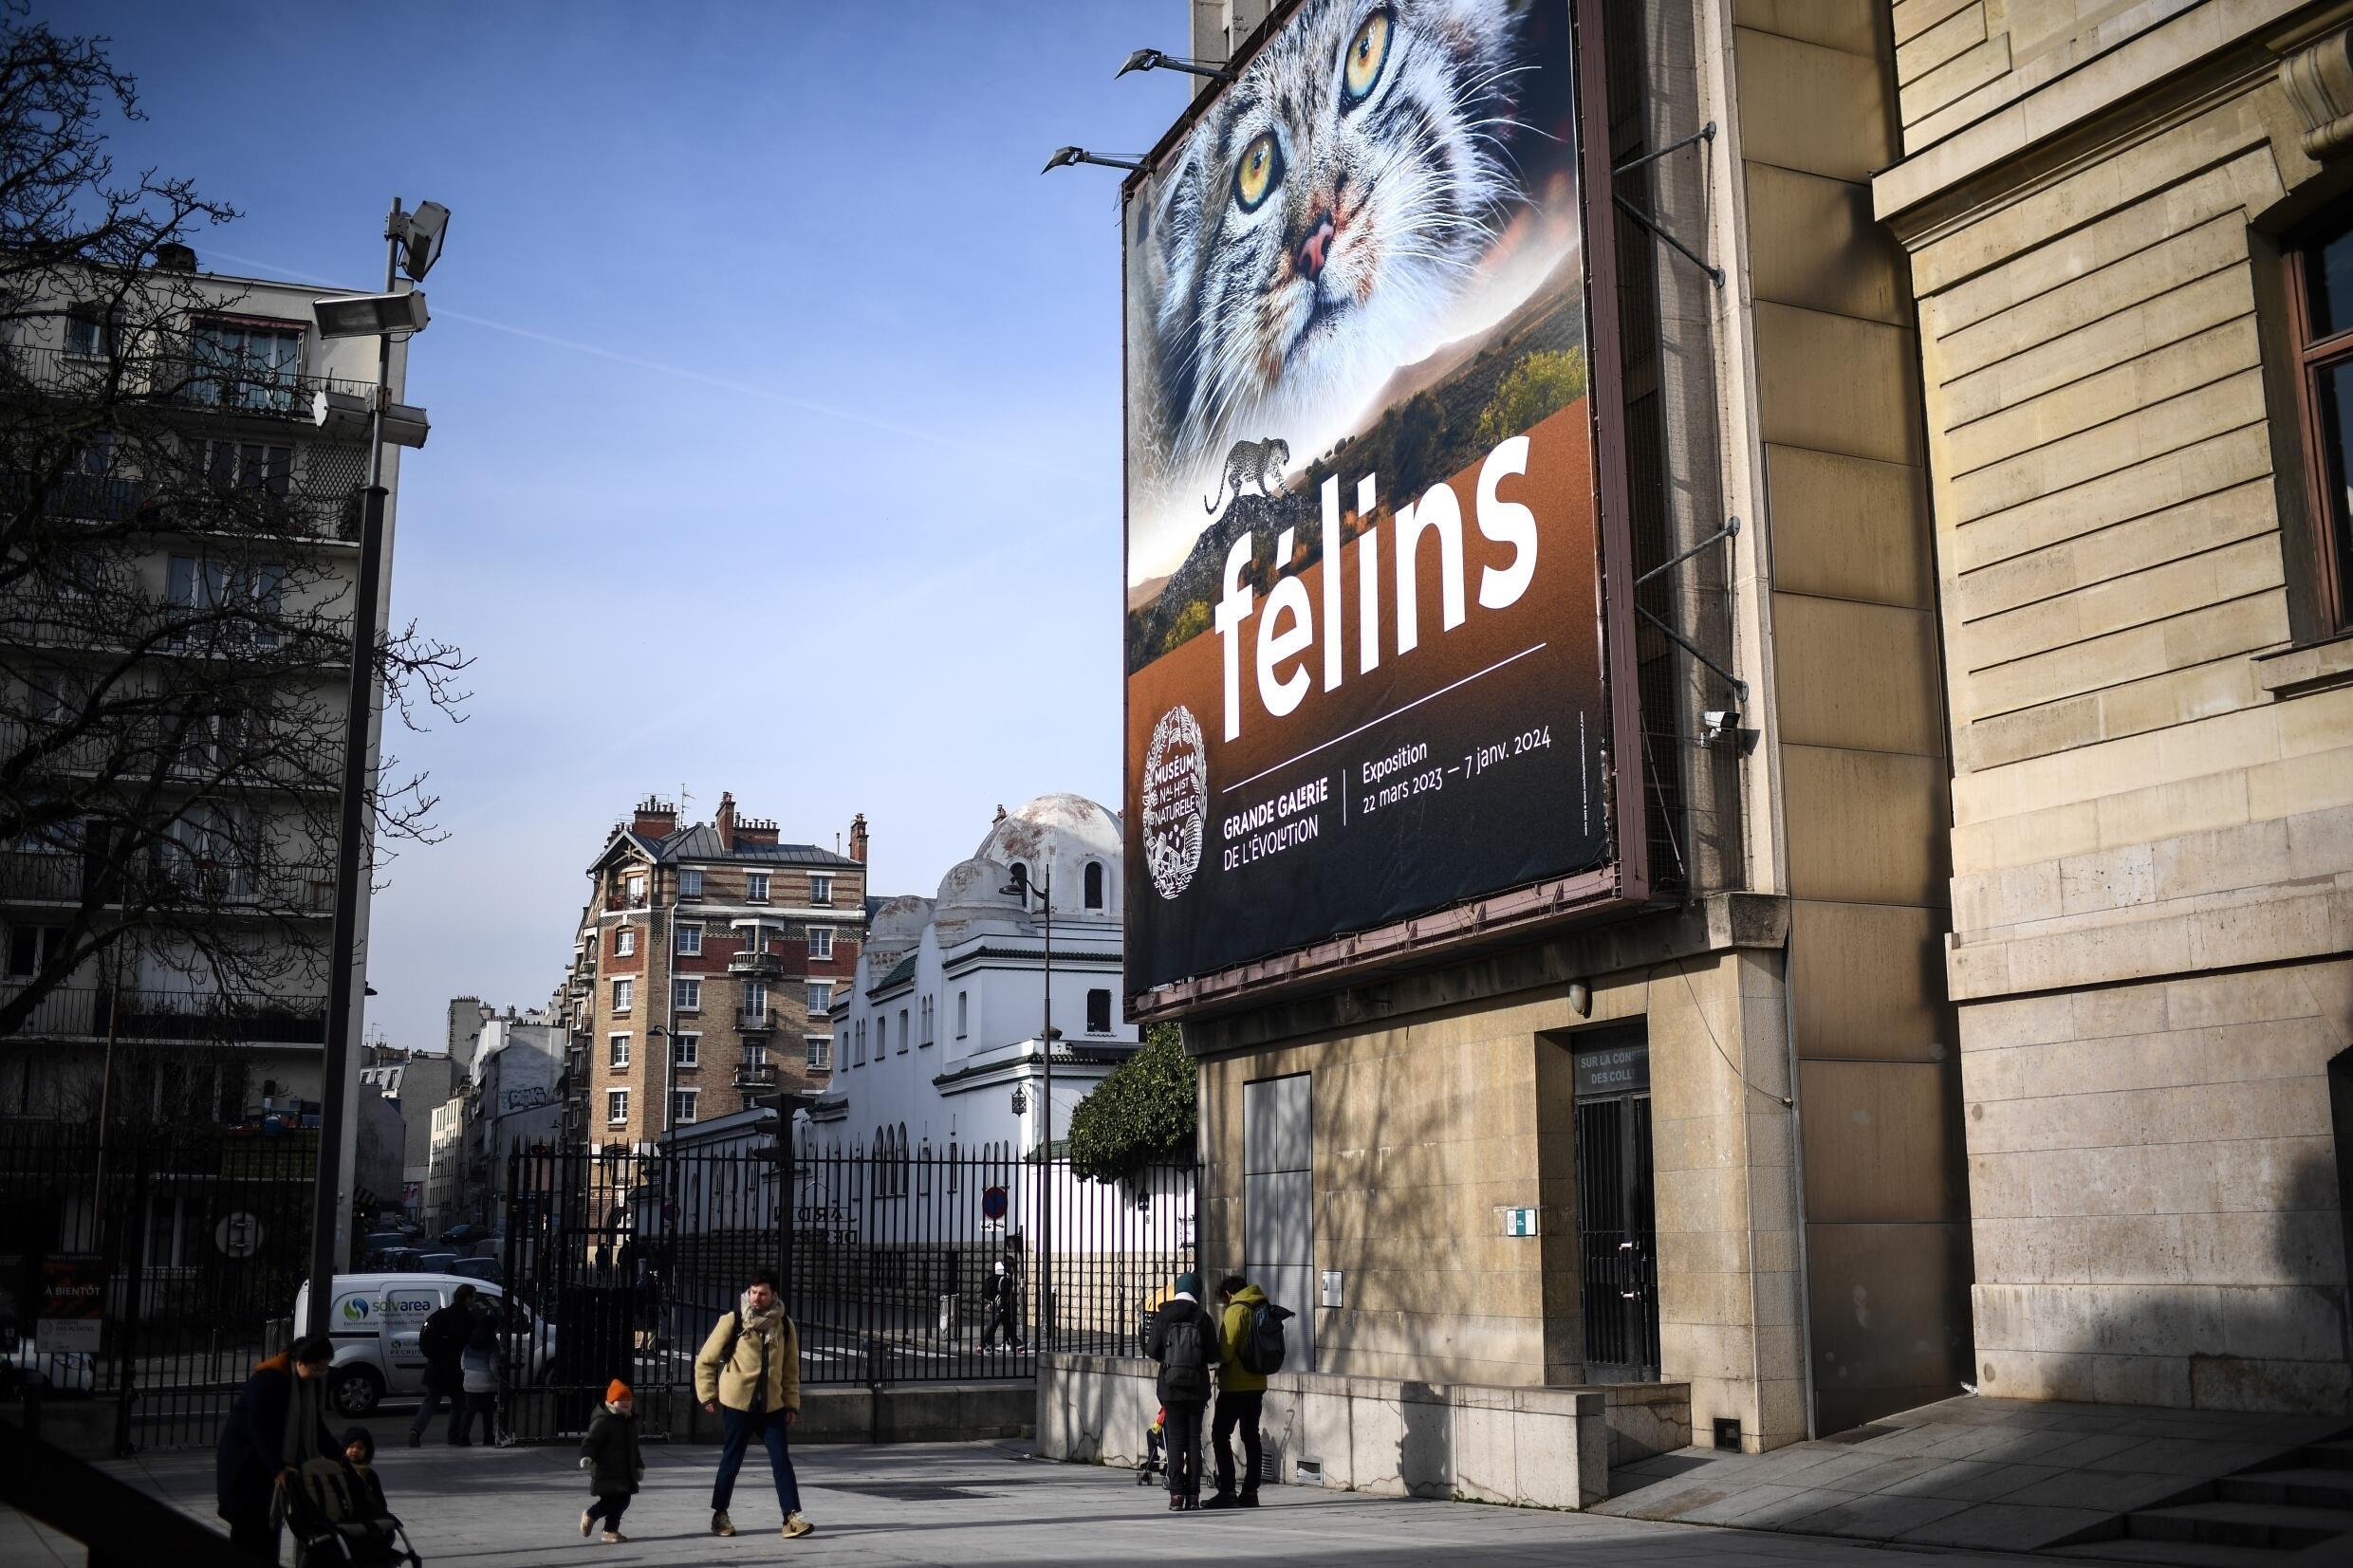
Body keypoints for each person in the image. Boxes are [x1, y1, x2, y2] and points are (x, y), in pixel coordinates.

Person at [695, 1266, 811, 1540]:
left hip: (771, 1406)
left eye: (763, 1294)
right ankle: (720, 1515)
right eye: (753, 1292)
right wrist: (708, 1394)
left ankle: (791, 1517)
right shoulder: (733, 1320)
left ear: (774, 1296)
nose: (757, 1298)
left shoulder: (784, 1325)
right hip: (738, 1404)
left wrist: (791, 1404)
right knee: (731, 1461)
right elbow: (706, 1360)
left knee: (781, 1460)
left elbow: (791, 1368)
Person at [215, 1335, 338, 1558]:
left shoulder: (305, 1384)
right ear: (300, 1362)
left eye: (324, 1369)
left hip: (269, 1469)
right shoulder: (268, 1380)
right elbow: (258, 1428)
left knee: (268, 1532)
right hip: (246, 1467)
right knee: (248, 1533)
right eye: (316, 1369)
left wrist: (341, 1459)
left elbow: (317, 1428)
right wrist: (278, 1468)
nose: (319, 1375)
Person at [1143, 1270, 1214, 1512]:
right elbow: (1214, 1354)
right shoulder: (1203, 1318)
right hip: (1196, 1388)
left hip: (1170, 1388)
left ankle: (1176, 1495)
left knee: (1174, 1440)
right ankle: (1193, 1495)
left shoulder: (1164, 1316)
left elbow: (1152, 1350)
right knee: (1194, 1439)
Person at [1205, 1274, 1269, 1508]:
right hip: (1258, 1383)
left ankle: (1228, 1491)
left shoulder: (1236, 1311)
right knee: (1251, 1436)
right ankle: (1251, 1492)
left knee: (1220, 1434)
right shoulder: (1261, 1305)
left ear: (1229, 1294)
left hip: (1234, 1386)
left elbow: (1226, 1352)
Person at [410, 1282, 476, 1447]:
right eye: (473, 1297)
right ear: (467, 1298)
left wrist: (435, 1357)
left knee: (430, 1401)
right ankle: (453, 1436)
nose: (474, 1300)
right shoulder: (469, 1319)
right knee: (458, 1403)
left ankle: (416, 1431)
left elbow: (425, 1338)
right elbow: (474, 1344)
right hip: (457, 1369)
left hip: (436, 1367)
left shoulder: (439, 1315)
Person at [578, 1379, 643, 1544]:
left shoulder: (629, 1423)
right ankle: (592, 1515)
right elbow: (591, 1441)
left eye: (628, 1400)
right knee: (613, 1501)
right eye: (621, 1400)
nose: (626, 1403)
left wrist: (638, 1466)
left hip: (624, 1472)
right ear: (612, 1402)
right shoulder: (604, 1421)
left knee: (622, 1500)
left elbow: (634, 1449)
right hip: (606, 1471)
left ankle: (610, 1530)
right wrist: (587, 1456)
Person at [456, 1298, 501, 1446]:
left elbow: (463, 1362)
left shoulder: (470, 1340)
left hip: (470, 1382)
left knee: (469, 1411)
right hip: (487, 1383)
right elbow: (493, 1365)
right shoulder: (493, 1342)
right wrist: (499, 1379)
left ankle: (463, 1437)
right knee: (487, 1412)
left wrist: (469, 1373)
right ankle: (488, 1437)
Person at [342, 1427, 389, 1519]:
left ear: (367, 1452)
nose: (355, 1450)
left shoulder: (370, 1475)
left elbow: (380, 1501)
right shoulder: (340, 1472)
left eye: (360, 1448)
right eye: (351, 1446)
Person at [979, 1257, 1025, 1350]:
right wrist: (1001, 1306)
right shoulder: (1007, 1277)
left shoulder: (1000, 1274)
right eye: (1013, 1267)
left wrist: (991, 1303)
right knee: (993, 1324)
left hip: (998, 1303)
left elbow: (997, 1291)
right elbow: (1003, 1293)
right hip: (1001, 1305)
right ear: (1011, 1266)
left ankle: (1016, 1343)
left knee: (1007, 1324)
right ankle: (982, 1344)